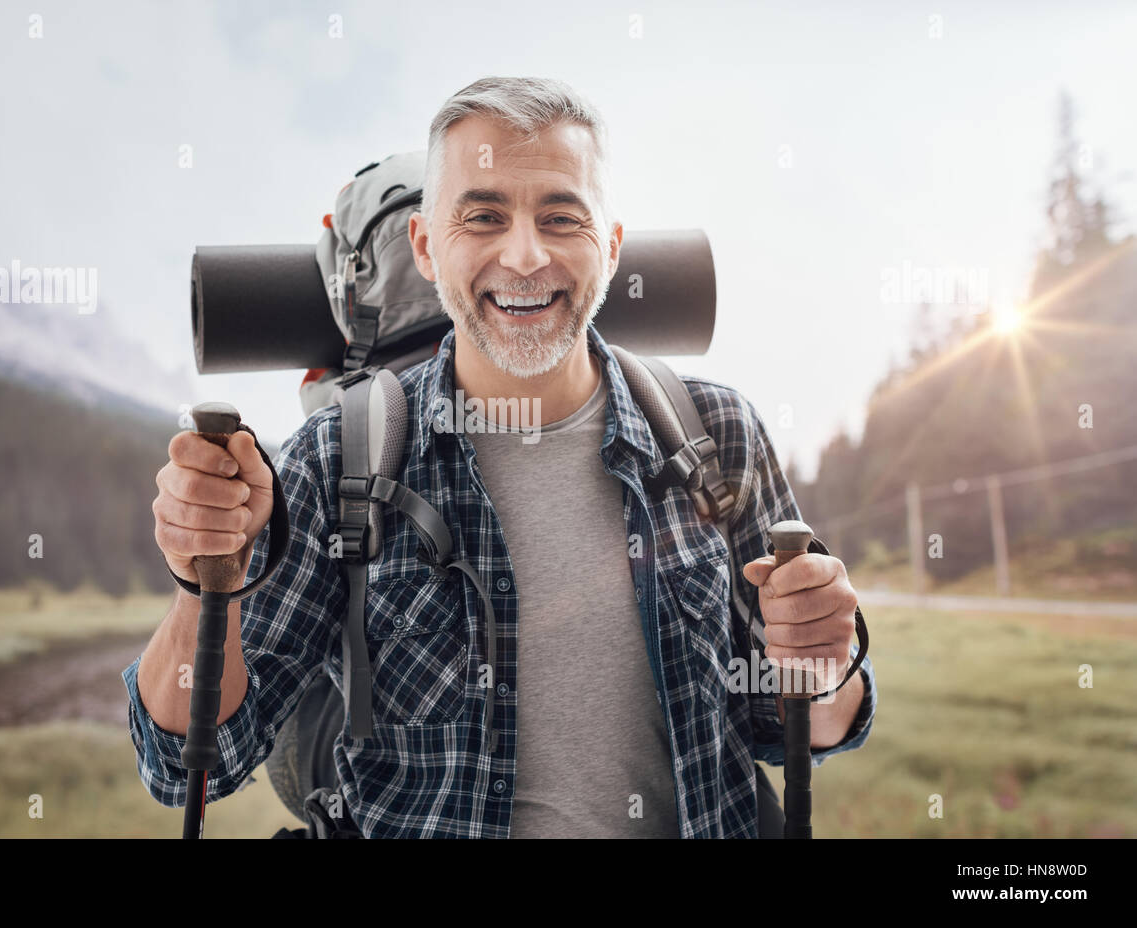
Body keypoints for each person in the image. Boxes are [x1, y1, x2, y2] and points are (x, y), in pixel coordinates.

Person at [124, 76, 877, 838]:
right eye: (483, 215)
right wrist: (202, 578)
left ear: (610, 249)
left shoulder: (718, 434)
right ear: (425, 245)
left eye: (561, 217)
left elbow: (804, 725)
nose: (524, 256)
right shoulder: (339, 460)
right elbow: (189, 761)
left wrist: (822, 659)